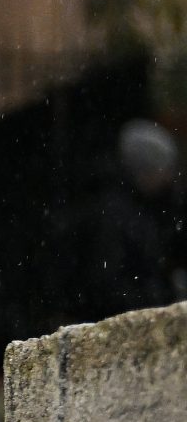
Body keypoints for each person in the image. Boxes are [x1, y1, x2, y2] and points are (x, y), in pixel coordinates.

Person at [70, 118, 183, 322]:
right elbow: (108, 282)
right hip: (126, 317)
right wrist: (152, 302)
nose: (168, 179)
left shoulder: (150, 204)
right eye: (162, 171)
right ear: (143, 171)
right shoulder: (115, 214)